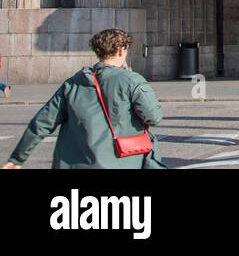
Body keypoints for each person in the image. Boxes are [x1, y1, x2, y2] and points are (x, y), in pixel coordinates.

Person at [4, 27, 164, 169]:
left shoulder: (72, 83)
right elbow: (153, 117)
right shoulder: (132, 80)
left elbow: (41, 123)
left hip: (73, 163)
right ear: (122, 50)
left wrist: (17, 159)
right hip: (123, 161)